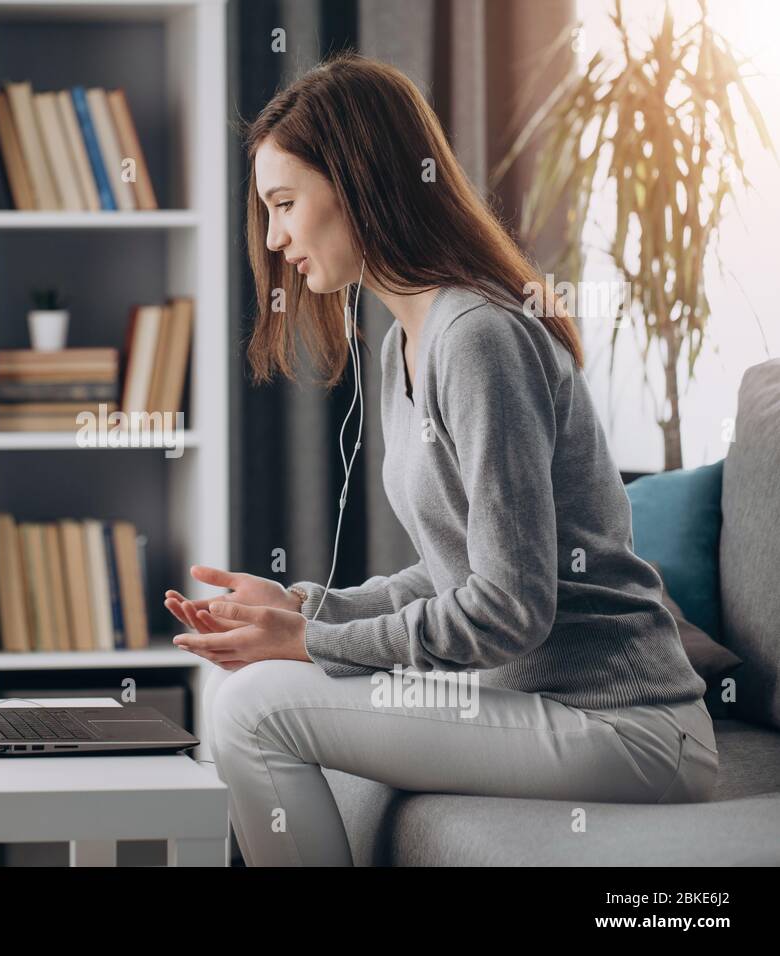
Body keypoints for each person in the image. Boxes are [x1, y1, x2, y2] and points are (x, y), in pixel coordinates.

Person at [164, 50, 716, 867]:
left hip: (625, 725)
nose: (276, 240)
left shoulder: (479, 336)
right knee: (242, 688)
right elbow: (457, 572)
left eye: (285, 205)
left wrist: (306, 643)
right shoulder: (409, 344)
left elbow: (508, 608)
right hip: (542, 705)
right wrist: (306, 608)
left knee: (254, 709)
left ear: (357, 184)